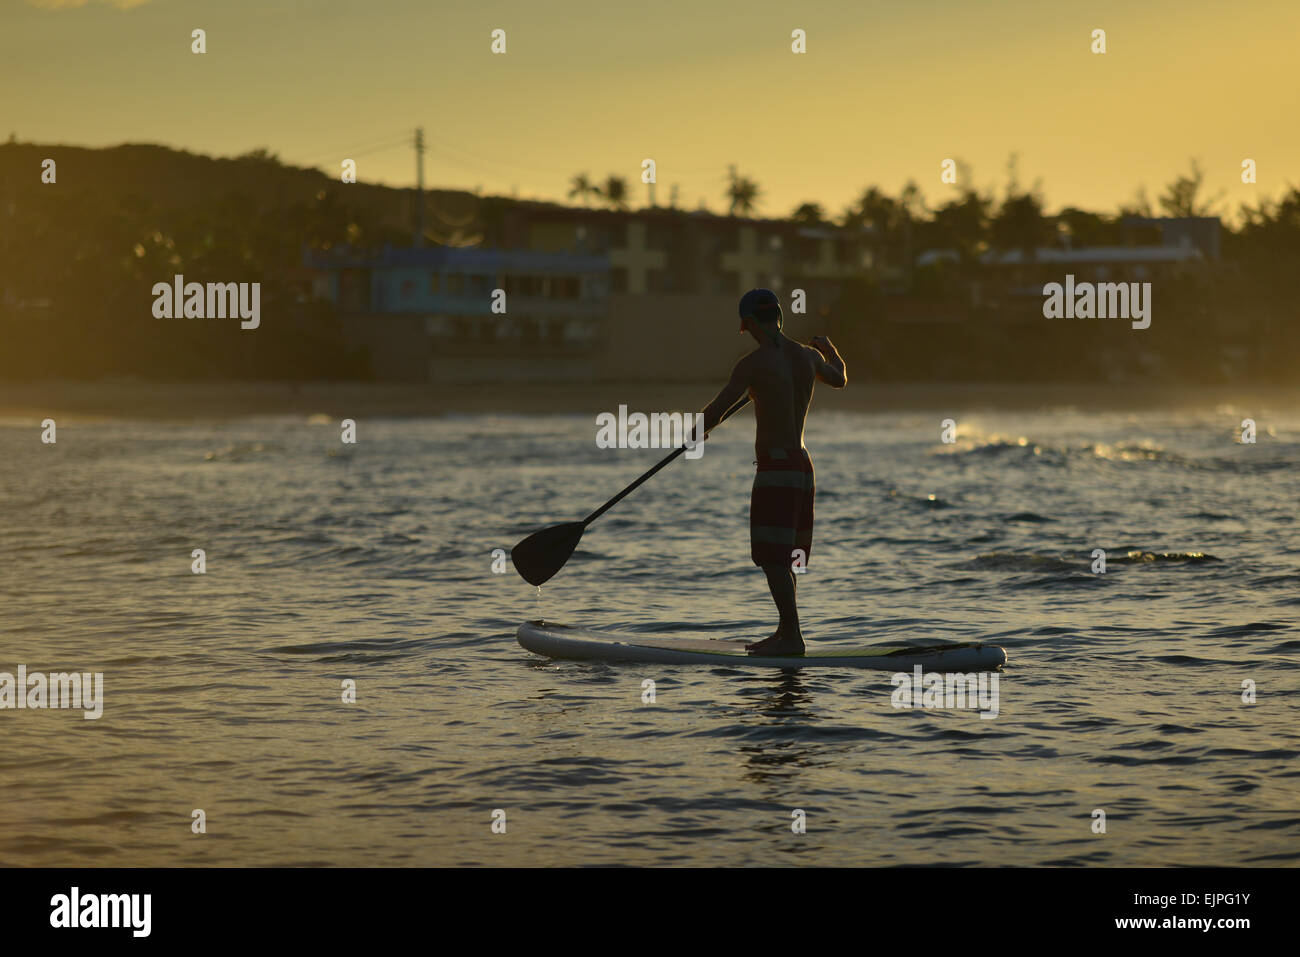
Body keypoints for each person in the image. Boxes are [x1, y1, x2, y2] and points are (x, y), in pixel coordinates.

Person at [698, 288, 847, 655]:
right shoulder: (808, 357)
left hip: (776, 468)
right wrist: (830, 349)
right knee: (785, 554)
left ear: (748, 323)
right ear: (778, 317)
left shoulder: (752, 365)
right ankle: (786, 632)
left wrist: (693, 433)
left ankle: (792, 636)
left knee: (770, 556)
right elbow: (840, 378)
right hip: (802, 465)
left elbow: (716, 410)